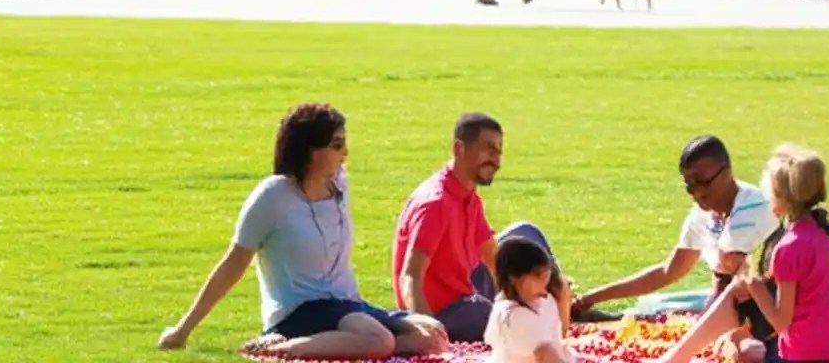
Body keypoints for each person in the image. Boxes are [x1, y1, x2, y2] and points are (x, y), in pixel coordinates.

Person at [159, 103, 448, 358]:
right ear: (310, 150)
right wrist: (182, 331)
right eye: (336, 145)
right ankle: (280, 347)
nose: (345, 153)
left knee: (431, 335)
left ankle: (337, 343)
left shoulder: (339, 184)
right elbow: (234, 263)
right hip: (299, 310)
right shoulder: (272, 197)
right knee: (378, 341)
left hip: (344, 303)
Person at [572, 136, 778, 340]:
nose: (696, 192)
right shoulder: (703, 214)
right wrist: (591, 298)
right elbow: (668, 271)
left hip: (769, 303)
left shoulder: (752, 208)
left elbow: (733, 278)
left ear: (726, 172)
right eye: (689, 186)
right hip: (730, 300)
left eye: (703, 182)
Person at [393, 113, 561, 343]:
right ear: (459, 149)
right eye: (489, 150)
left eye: (499, 152)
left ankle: (559, 306)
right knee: (499, 317)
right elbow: (410, 275)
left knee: (526, 235)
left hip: (467, 290)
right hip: (443, 312)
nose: (496, 161)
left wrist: (524, 291)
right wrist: (426, 329)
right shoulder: (435, 203)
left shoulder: (468, 196)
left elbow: (493, 256)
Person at [739, 145, 829, 363]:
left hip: (806, 355)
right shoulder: (826, 233)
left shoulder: (788, 248)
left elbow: (781, 322)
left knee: (746, 352)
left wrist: (755, 287)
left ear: (781, 198)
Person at [484, 237, 575, 363]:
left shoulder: (543, 299)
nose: (545, 282)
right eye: (538, 276)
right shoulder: (514, 315)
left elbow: (556, 336)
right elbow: (546, 353)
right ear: (513, 278)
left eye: (546, 276)